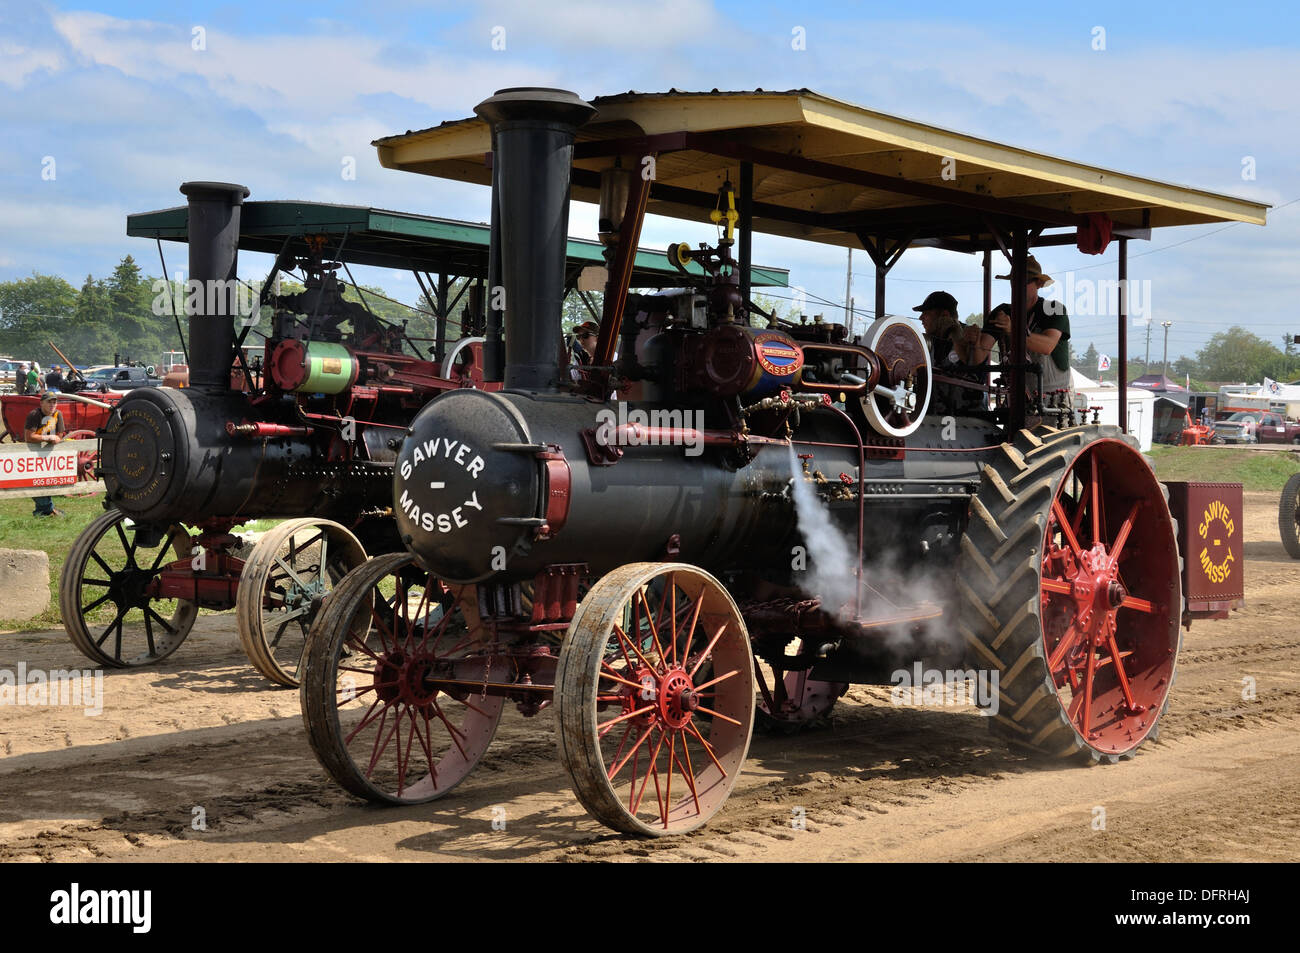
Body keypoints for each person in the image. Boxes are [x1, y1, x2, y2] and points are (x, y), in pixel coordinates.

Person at [987, 255, 1072, 408]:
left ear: (1039, 283)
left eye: (1024, 281)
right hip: (1015, 398)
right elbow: (979, 352)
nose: (1017, 285)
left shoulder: (1054, 309)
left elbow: (1047, 346)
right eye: (1014, 281)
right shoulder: (1003, 311)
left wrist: (1012, 331)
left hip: (1052, 401)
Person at [912, 291, 995, 412]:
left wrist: (957, 335)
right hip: (935, 419)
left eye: (927, 313)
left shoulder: (971, 337)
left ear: (945, 315)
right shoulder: (933, 341)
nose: (920, 318)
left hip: (969, 420)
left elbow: (977, 374)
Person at [24, 391, 66, 517]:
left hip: (49, 454)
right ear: (41, 403)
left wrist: (56, 438)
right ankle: (48, 510)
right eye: (49, 402)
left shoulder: (58, 414)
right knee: (34, 481)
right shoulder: (34, 415)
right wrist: (48, 438)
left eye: (55, 402)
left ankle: (42, 511)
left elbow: (60, 434)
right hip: (32, 453)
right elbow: (29, 437)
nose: (52, 404)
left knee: (46, 480)